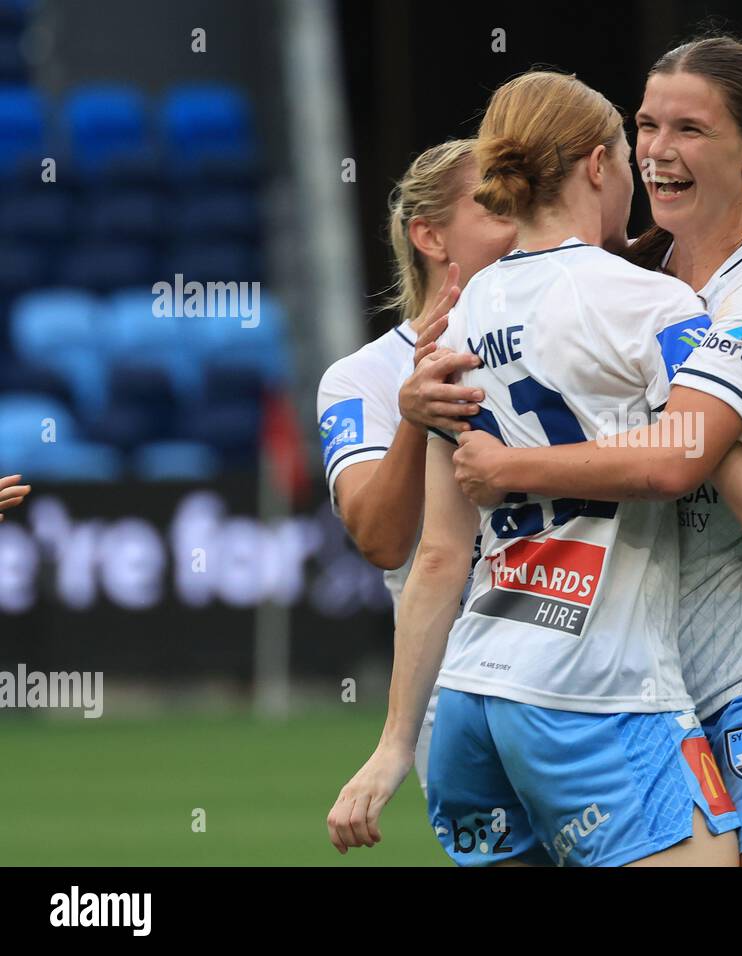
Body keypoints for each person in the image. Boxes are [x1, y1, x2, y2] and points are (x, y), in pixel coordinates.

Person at [438, 36, 742, 866]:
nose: (658, 152)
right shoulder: (633, 280)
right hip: (646, 681)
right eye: (646, 126)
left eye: (690, 129)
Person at [318, 139, 515, 830]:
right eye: (496, 206)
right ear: (429, 236)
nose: (522, 221)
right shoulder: (359, 379)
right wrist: (412, 417)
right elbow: (380, 537)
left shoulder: (568, 337)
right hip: (453, 691)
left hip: (583, 667)